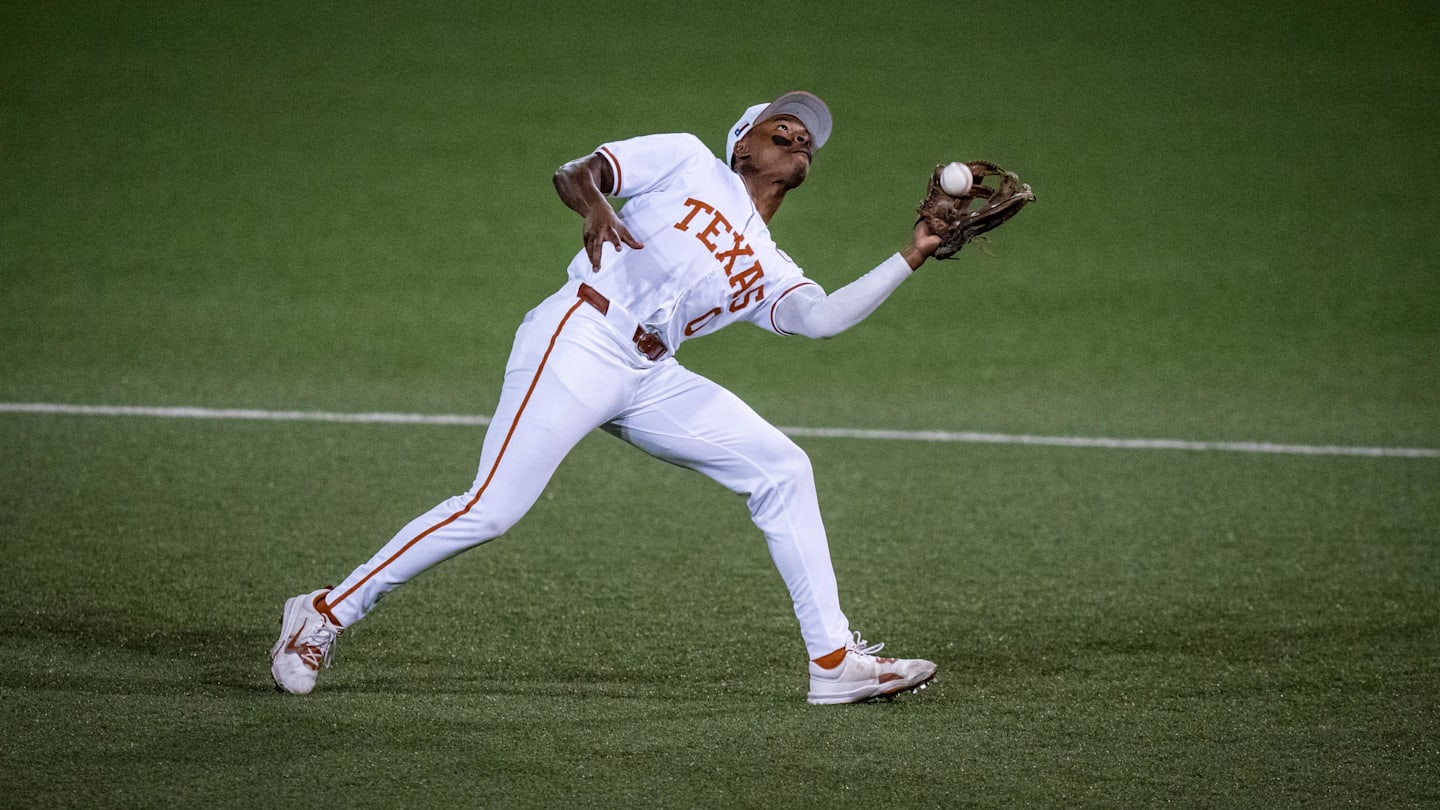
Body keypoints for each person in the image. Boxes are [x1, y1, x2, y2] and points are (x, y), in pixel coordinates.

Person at [270, 91, 944, 705]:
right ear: (742, 144)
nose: (798, 140)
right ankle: (322, 613)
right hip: (582, 335)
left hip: (650, 374)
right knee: (491, 508)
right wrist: (596, 206)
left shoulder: (771, 264)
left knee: (783, 469)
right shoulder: (691, 161)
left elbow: (819, 318)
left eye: (806, 140)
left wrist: (911, 254)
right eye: (782, 130)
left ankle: (833, 662)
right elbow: (575, 172)